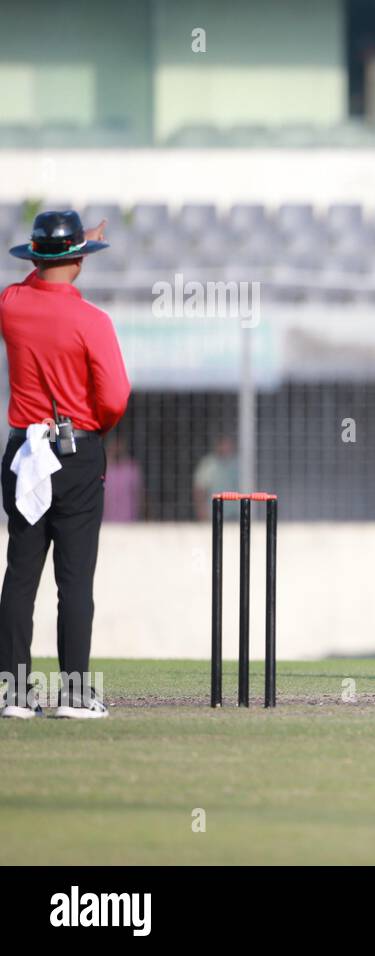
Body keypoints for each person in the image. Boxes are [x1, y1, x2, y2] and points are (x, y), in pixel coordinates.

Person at [0, 210, 130, 719]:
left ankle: (12, 692)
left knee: (20, 574)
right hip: (75, 451)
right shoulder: (93, 321)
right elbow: (116, 396)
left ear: (35, 257)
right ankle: (75, 692)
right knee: (74, 580)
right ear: (79, 260)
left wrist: (60, 253)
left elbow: (35, 283)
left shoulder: (10, 304)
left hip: (23, 453)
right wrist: (91, 425)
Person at [192, 435, 238, 521]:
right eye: (222, 444)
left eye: (227, 443)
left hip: (236, 518)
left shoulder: (239, 464)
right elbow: (199, 491)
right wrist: (202, 514)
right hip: (214, 517)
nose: (225, 447)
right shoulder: (208, 464)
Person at [103, 435, 142, 522]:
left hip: (129, 522)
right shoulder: (104, 468)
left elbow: (139, 494)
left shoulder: (131, 468)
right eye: (114, 444)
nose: (117, 447)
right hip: (107, 522)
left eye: (119, 444)